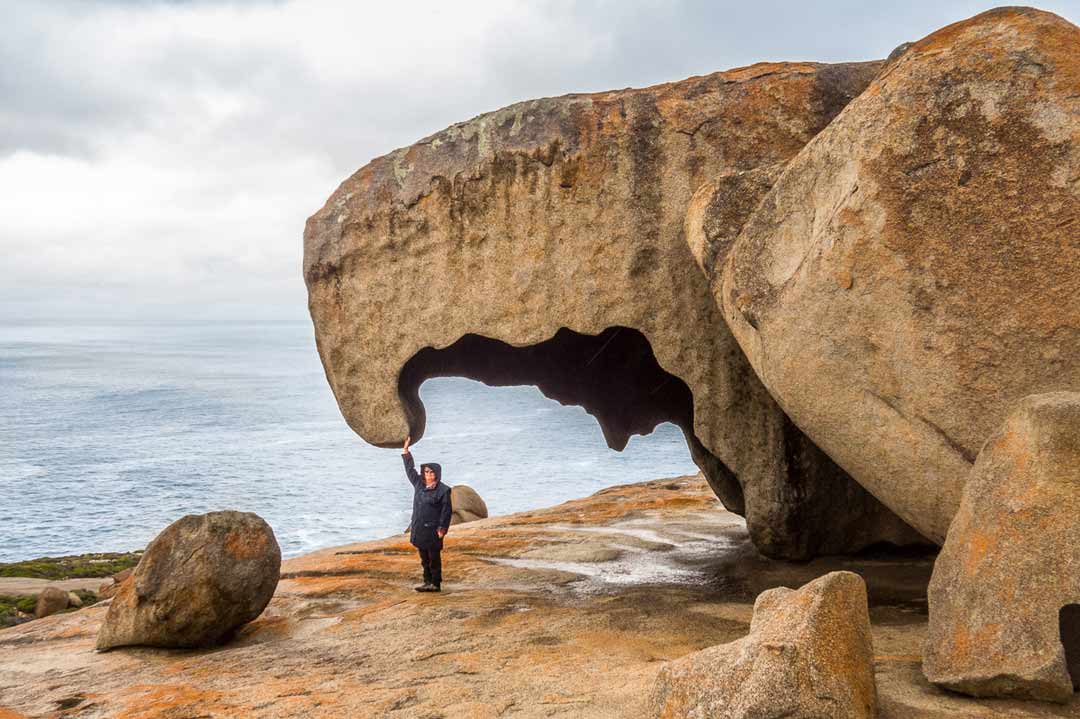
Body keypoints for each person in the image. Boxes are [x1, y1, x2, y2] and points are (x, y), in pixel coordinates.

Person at [401, 435, 452, 592]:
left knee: (433, 558)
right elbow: (410, 470)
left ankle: (435, 584)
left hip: (433, 530)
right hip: (419, 528)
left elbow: (447, 512)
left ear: (436, 474)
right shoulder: (418, 484)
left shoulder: (443, 490)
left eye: (431, 472)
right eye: (426, 472)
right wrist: (406, 450)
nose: (428, 474)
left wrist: (442, 529)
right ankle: (427, 581)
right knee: (424, 558)